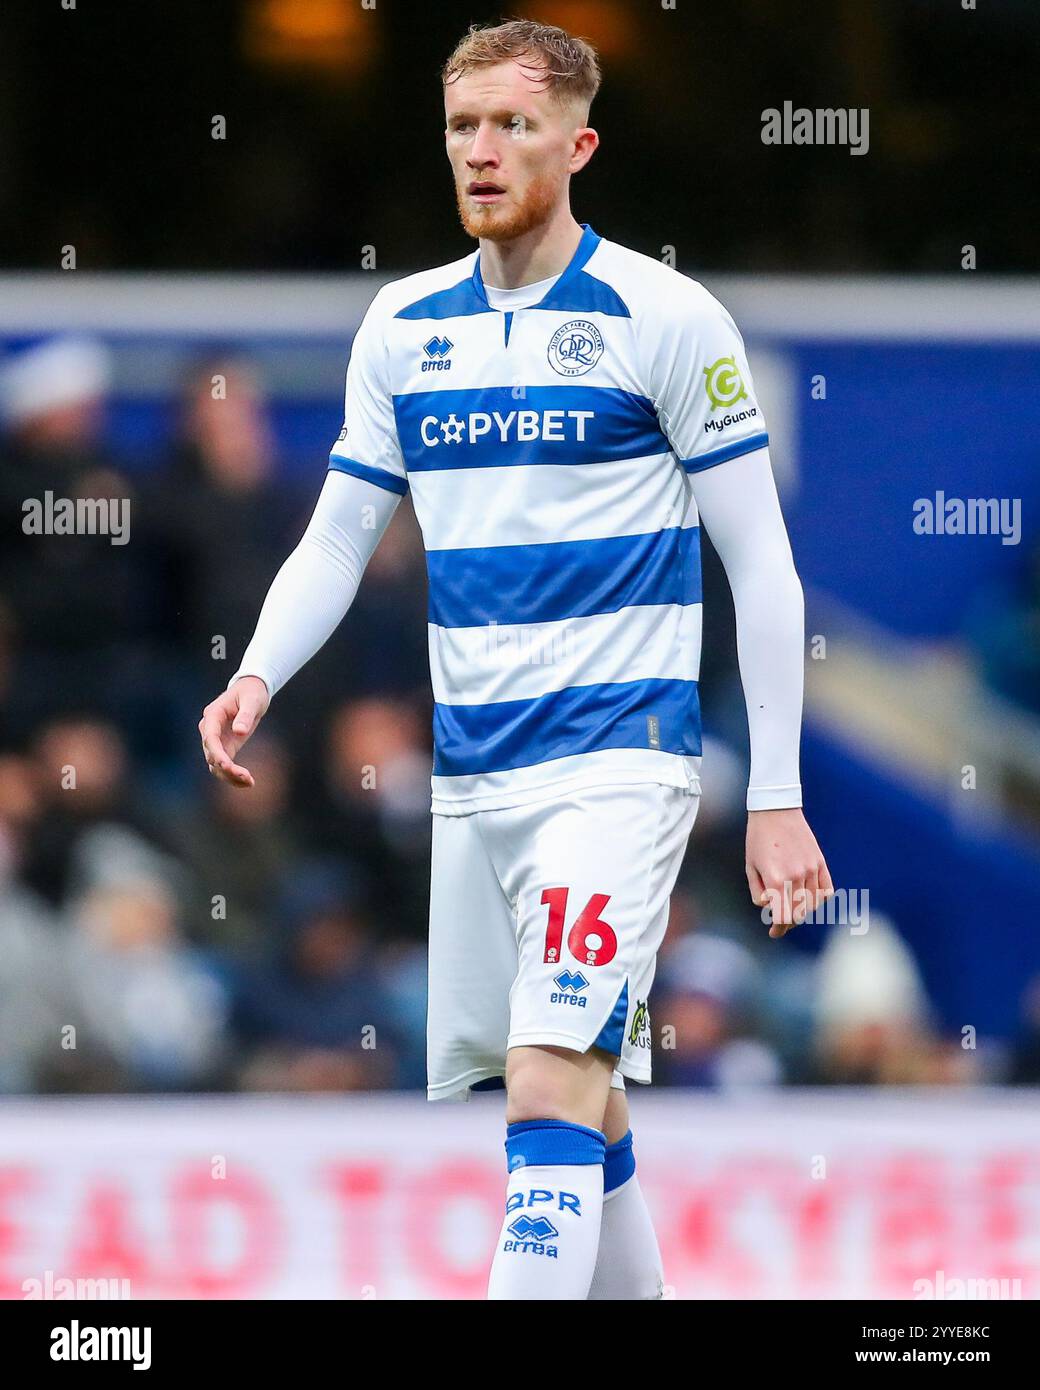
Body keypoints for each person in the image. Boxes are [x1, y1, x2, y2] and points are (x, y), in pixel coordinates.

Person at [199, 19, 833, 1300]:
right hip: (474, 780)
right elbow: (337, 534)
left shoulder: (665, 319)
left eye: (511, 127)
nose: (479, 154)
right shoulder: (400, 325)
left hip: (617, 767)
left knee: (544, 1082)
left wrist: (774, 793)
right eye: (459, 127)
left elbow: (761, 564)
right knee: (574, 1099)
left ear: (578, 144)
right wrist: (257, 672)